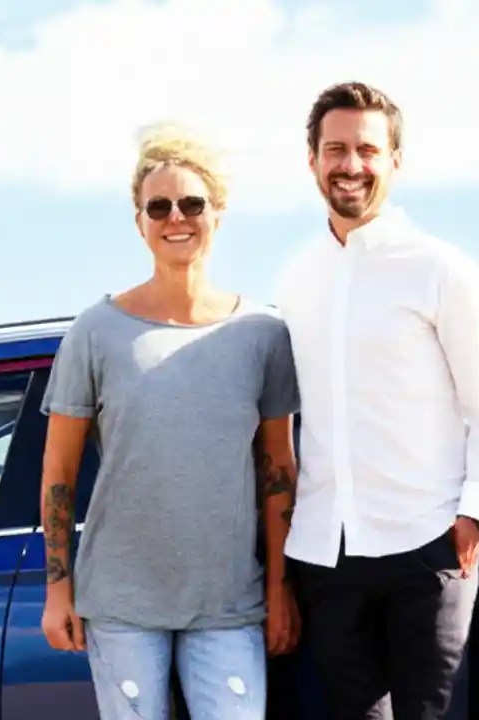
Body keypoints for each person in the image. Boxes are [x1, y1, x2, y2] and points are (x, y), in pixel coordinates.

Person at [38, 122, 302, 720]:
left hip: (230, 605)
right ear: (140, 222)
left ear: (218, 214)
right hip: (120, 604)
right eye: (158, 206)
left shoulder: (262, 334)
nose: (175, 217)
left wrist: (279, 588)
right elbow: (59, 469)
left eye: (192, 204)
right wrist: (58, 589)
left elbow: (279, 471)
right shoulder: (96, 331)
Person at [275, 81, 479, 720]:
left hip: (428, 544)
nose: (350, 165)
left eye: (367, 150)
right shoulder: (295, 278)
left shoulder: (442, 269)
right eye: (336, 149)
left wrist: (474, 517)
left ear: (395, 160)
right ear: (312, 159)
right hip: (326, 551)